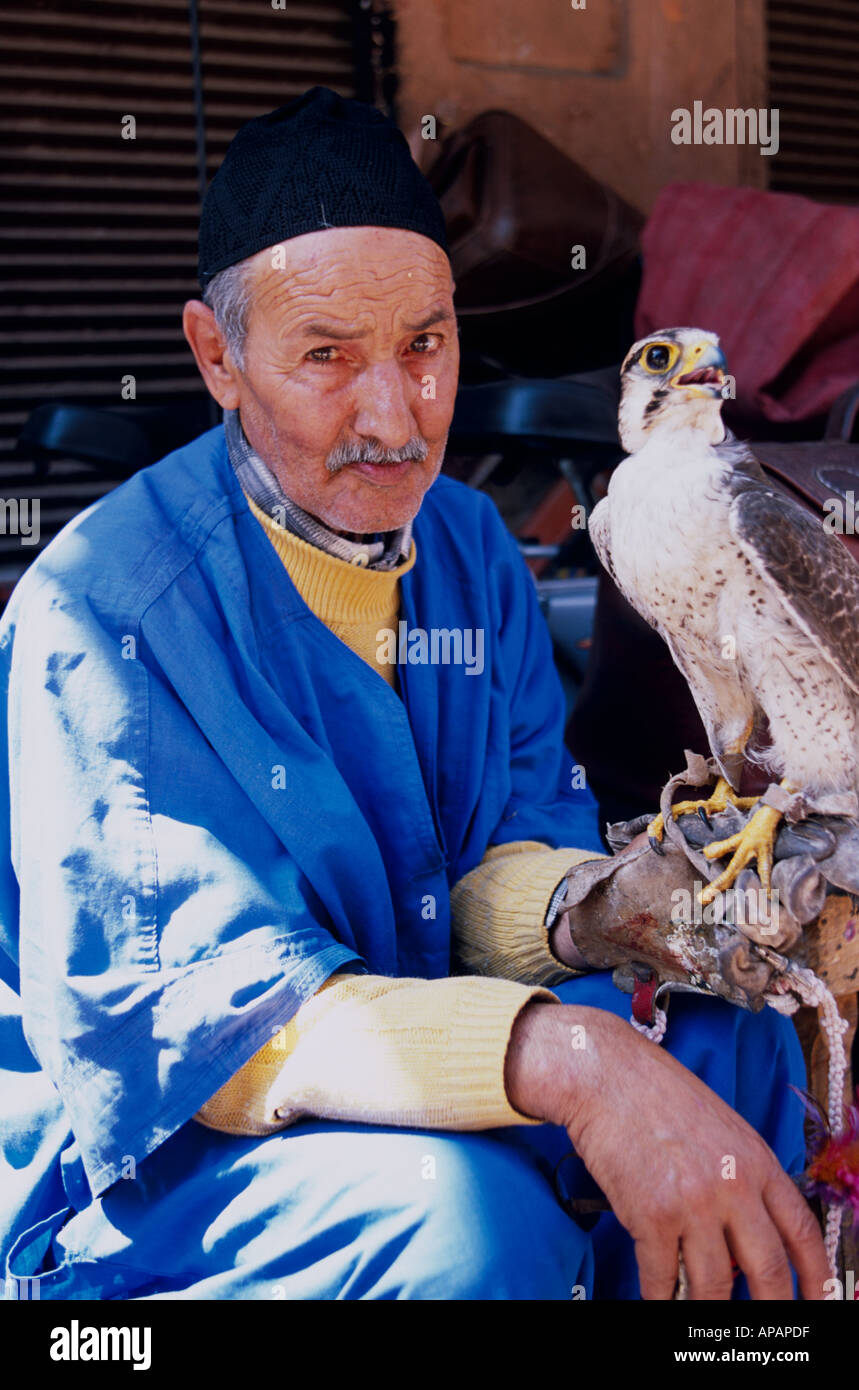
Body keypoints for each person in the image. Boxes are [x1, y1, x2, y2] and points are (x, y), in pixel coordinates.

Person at [0, 87, 827, 1302]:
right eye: (327, 354)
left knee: (736, 1053)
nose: (394, 419)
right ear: (217, 357)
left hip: (427, 1029)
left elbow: (502, 859)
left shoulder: (470, 548)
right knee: (467, 1228)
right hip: (164, 1155)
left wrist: (624, 909)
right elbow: (214, 1029)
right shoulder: (105, 617)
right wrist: (573, 1059)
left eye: (425, 346)